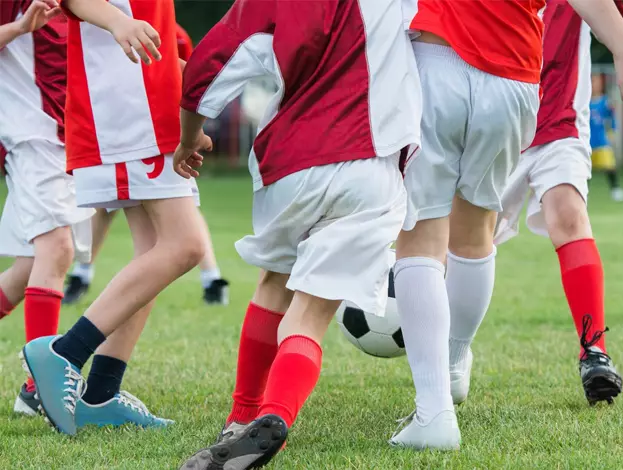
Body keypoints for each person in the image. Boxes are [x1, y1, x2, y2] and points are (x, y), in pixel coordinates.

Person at [388, 0, 623, 451]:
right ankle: (451, 366)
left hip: (464, 71)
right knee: (471, 237)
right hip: (515, 83)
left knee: (424, 238)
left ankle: (438, 405)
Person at [176, 0, 421, 468]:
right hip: (371, 165)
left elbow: (211, 62)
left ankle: (241, 418)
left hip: (290, 167)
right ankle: (273, 417)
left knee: (274, 283)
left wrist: (190, 138)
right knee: (309, 313)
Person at [22, 0, 206, 435]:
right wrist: (118, 22)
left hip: (146, 107)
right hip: (126, 113)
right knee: (186, 245)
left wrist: (182, 106)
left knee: (154, 252)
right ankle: (65, 352)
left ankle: (102, 393)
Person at [63, 22, 230, 307]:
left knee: (174, 224)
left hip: (159, 137)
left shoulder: (173, 32)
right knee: (126, 219)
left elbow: (183, 79)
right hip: (124, 132)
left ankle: (211, 278)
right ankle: (81, 275)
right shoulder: (110, 18)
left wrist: (189, 133)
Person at [0, 0, 96, 416]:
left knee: (27, 268)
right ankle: (38, 387)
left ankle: (38, 384)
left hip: (66, 137)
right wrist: (21, 26)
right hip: (32, 136)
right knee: (57, 249)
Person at [590, 73, 623, 202]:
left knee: (609, 166)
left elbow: (612, 118)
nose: (595, 85)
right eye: (593, 82)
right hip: (586, 140)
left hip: (601, 140)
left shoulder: (605, 102)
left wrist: (612, 132)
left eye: (597, 82)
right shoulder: (583, 101)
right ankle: (583, 193)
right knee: (584, 169)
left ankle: (615, 189)